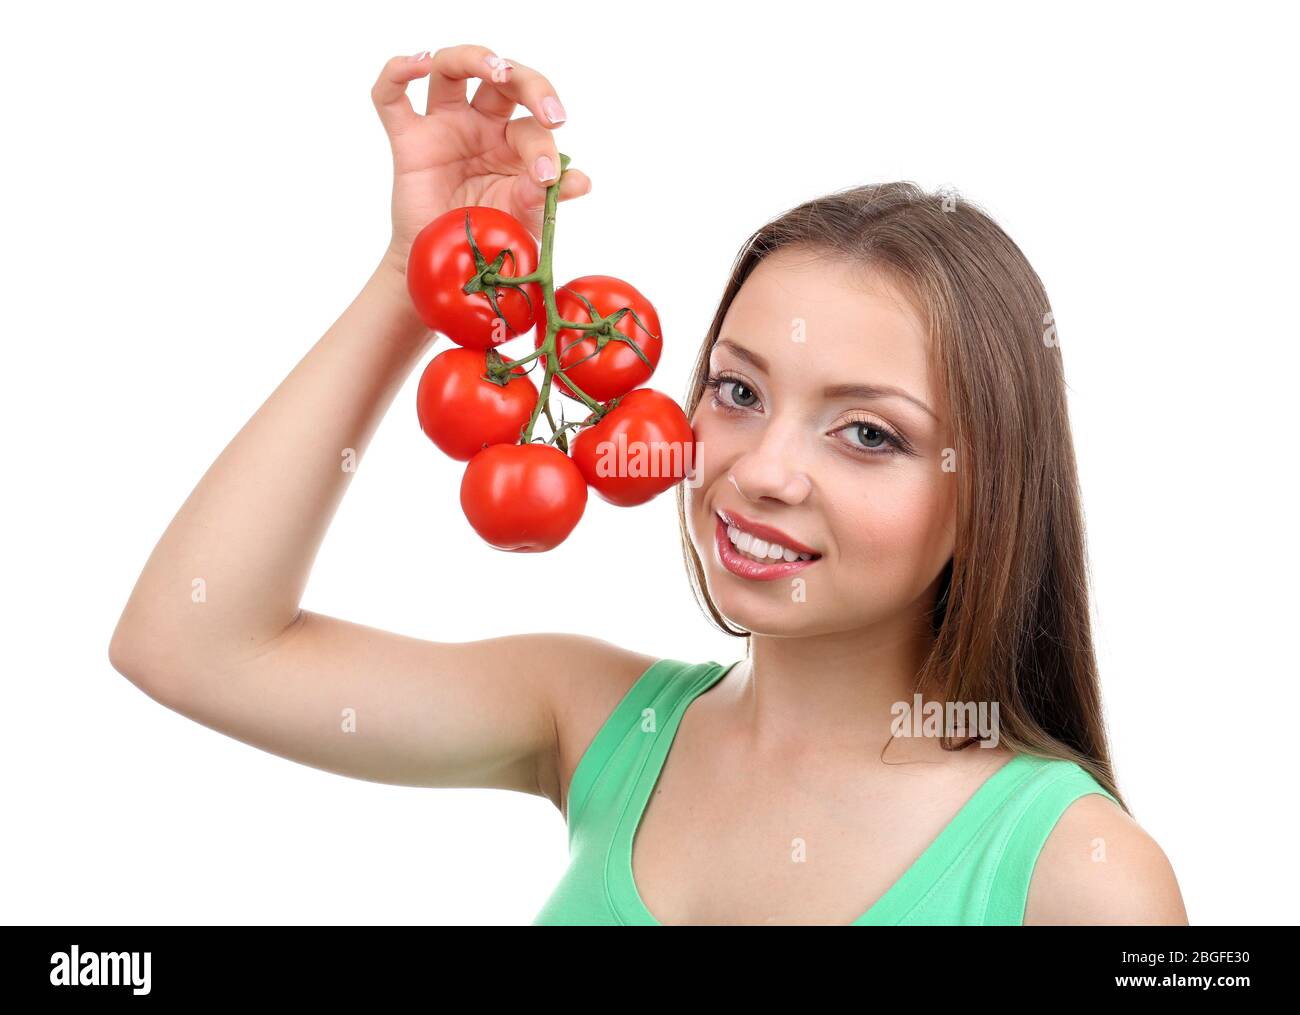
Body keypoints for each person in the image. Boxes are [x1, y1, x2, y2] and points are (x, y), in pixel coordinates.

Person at [108, 44, 1188, 926]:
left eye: (867, 432)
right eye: (738, 390)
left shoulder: (1078, 873)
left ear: (990, 487)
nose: (762, 472)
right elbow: (190, 644)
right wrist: (419, 274)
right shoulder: (594, 719)